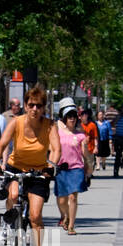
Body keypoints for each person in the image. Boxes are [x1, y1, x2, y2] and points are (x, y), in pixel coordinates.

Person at [0, 85, 62, 246]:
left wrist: (51, 167)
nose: (34, 109)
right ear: (25, 105)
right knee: (13, 195)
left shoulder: (50, 125)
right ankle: (9, 224)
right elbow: (2, 144)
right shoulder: (16, 122)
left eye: (39, 106)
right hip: (16, 167)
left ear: (44, 107)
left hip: (39, 172)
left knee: (36, 216)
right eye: (31, 105)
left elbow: (56, 149)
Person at [53, 100, 87, 234]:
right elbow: (52, 149)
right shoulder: (57, 132)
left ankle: (72, 225)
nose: (72, 119)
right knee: (62, 200)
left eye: (74, 116)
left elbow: (85, 154)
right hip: (61, 169)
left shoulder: (80, 135)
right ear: (64, 118)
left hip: (76, 169)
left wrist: (88, 169)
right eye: (69, 116)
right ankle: (65, 215)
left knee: (73, 197)